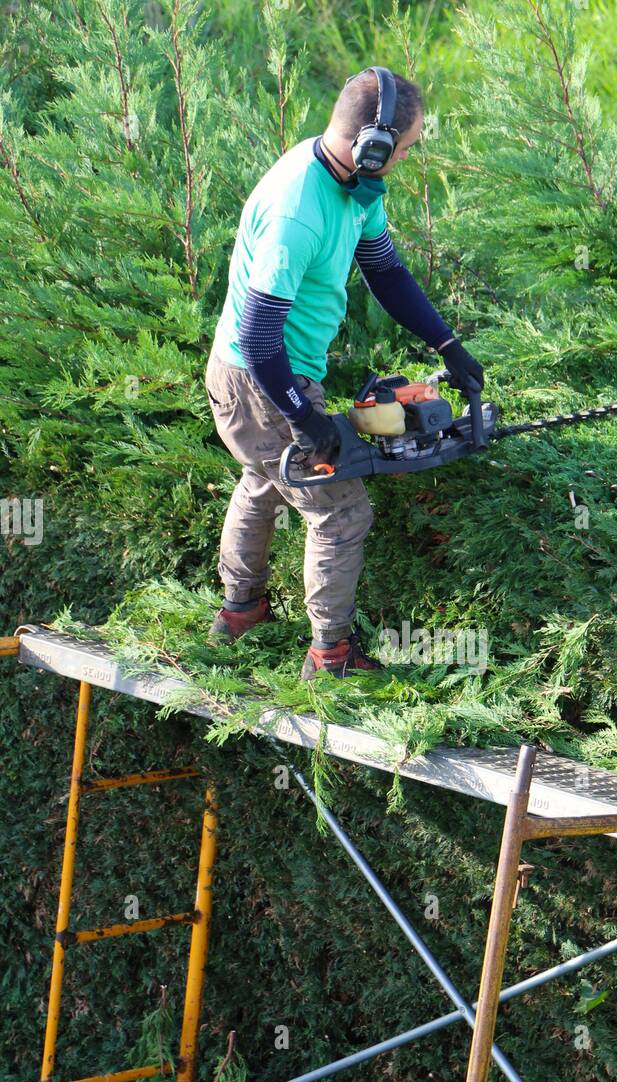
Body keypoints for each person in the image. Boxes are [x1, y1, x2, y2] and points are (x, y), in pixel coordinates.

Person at [205, 66, 484, 679]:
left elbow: (386, 273)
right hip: (259, 376)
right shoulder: (298, 211)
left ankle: (239, 612)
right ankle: (329, 654)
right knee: (339, 509)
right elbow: (257, 336)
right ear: (373, 145)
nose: (405, 159)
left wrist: (448, 344)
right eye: (404, 149)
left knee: (264, 479)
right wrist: (302, 415)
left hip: (260, 374)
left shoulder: (354, 186)